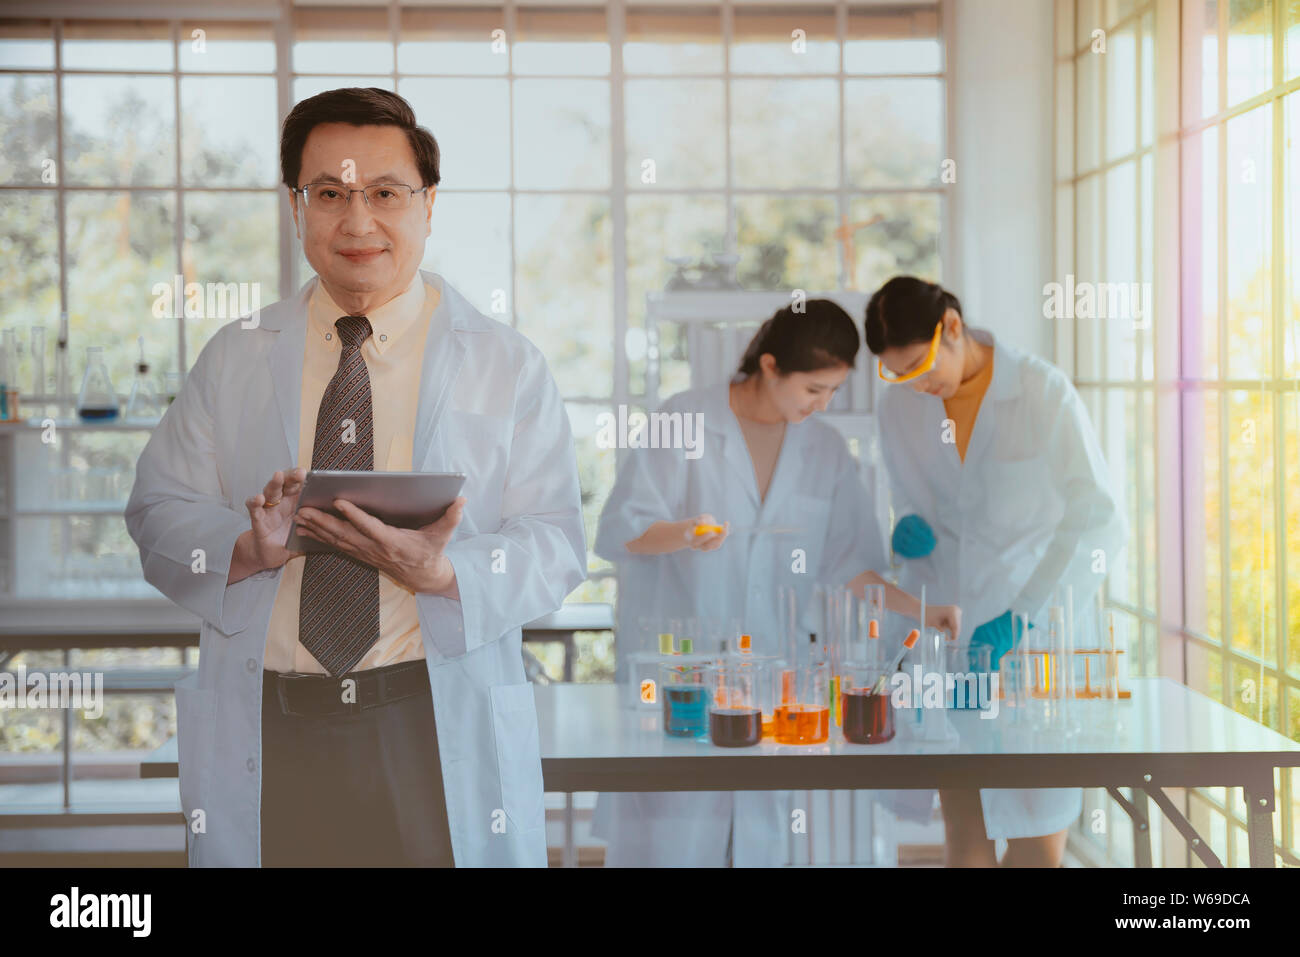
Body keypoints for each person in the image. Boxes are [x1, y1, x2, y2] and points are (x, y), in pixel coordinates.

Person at [125, 87, 586, 867]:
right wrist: (247, 547)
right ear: (295, 206)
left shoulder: (505, 362)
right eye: (330, 194)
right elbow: (156, 510)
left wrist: (443, 571)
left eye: (385, 193)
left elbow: (556, 541)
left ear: (429, 203)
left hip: (426, 725)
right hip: (274, 729)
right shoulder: (236, 355)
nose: (358, 221)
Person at [592, 299, 960, 866]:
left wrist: (921, 610)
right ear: (769, 366)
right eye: (814, 389)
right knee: (674, 843)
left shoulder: (826, 450)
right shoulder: (681, 420)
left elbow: (850, 567)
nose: (824, 405)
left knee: (770, 841)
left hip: (776, 679)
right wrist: (684, 532)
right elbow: (622, 532)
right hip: (686, 674)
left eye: (833, 392)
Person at [865, 275, 1126, 867]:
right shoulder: (900, 405)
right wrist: (904, 524)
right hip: (951, 635)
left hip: (1033, 635)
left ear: (951, 327)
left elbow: (1098, 520)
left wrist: (1024, 617)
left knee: (1037, 837)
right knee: (966, 822)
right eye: (897, 372)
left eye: (919, 366)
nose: (915, 384)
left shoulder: (1040, 391)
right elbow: (904, 493)